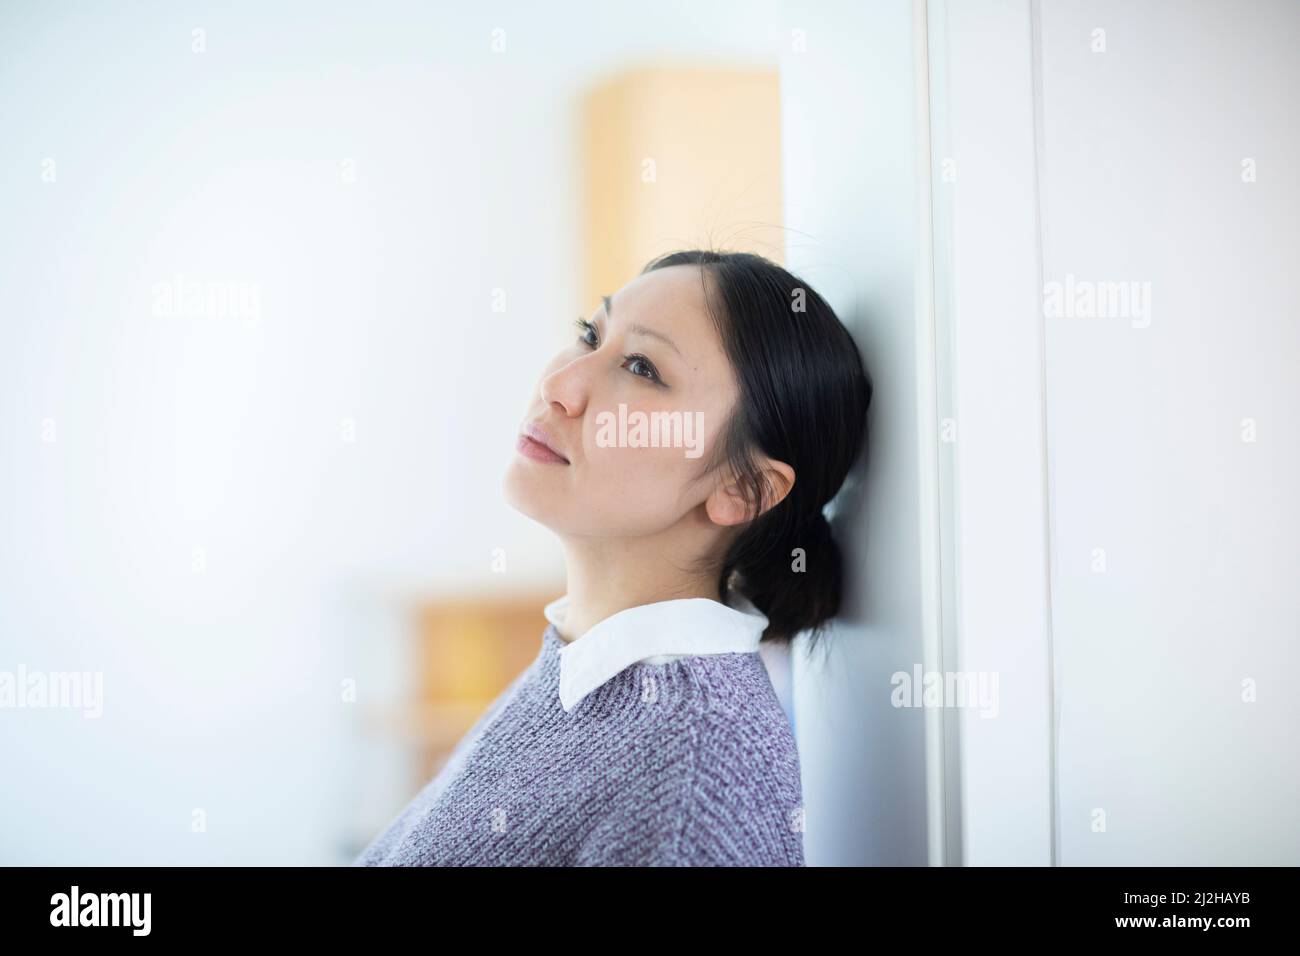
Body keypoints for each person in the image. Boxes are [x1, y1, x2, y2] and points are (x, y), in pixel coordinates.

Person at [353, 249, 872, 866]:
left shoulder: (693, 790)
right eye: (589, 335)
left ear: (743, 489)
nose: (559, 386)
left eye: (641, 367)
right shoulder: (582, 663)